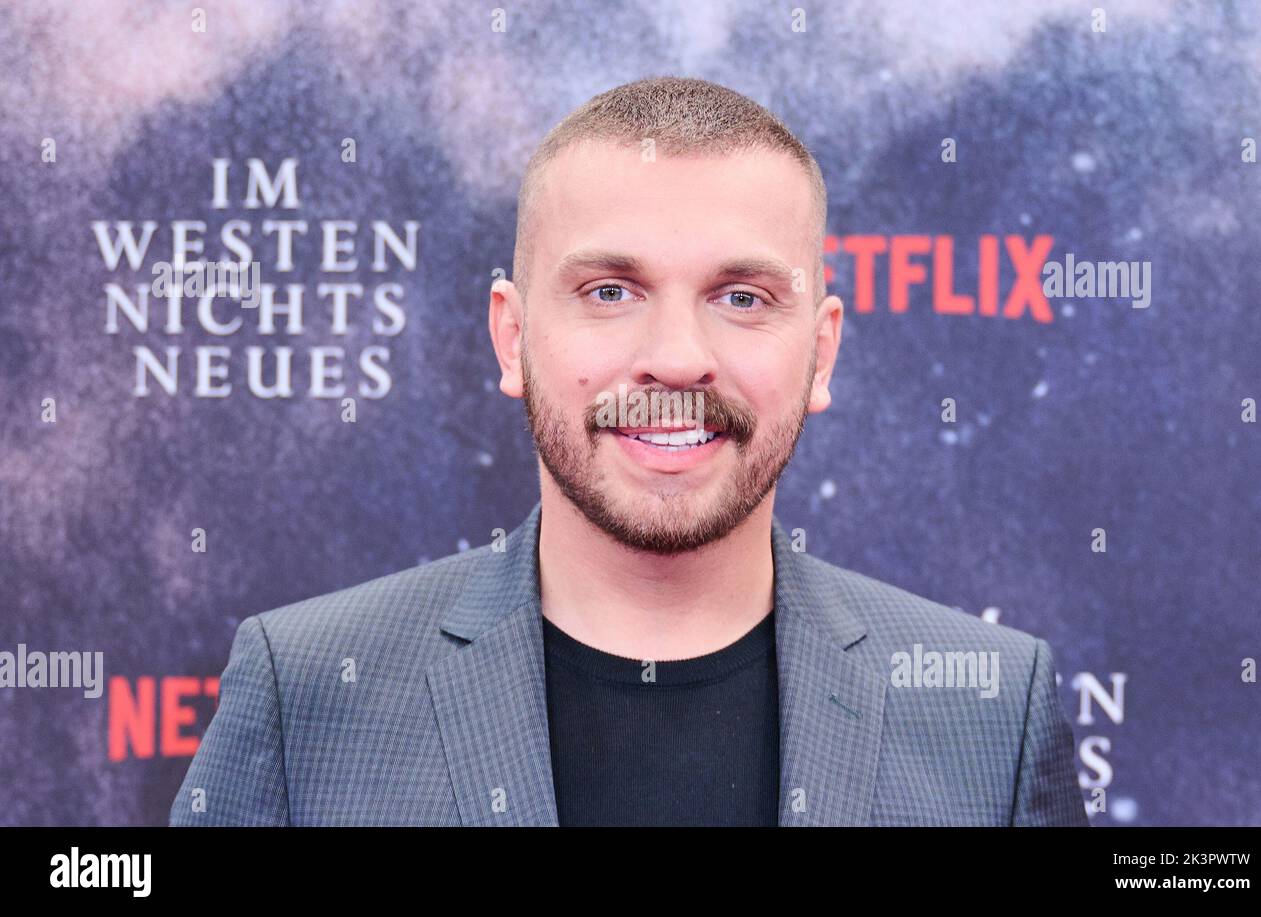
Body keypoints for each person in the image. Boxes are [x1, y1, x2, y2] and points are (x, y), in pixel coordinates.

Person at [170, 76, 1088, 827]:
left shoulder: (992, 713)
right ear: (511, 335)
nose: (677, 357)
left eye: (741, 298)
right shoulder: (305, 697)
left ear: (821, 349)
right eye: (611, 291)